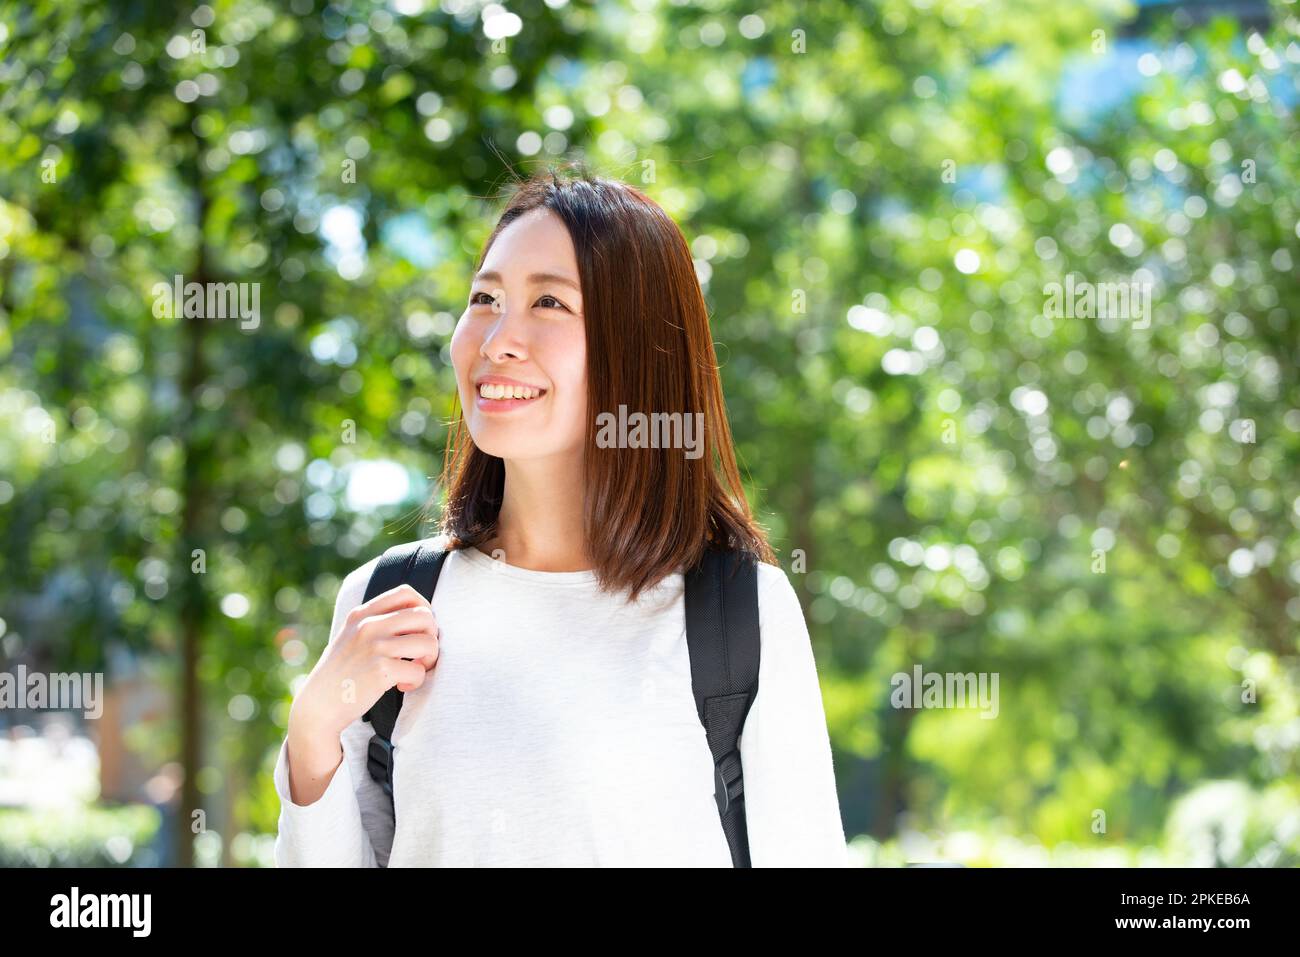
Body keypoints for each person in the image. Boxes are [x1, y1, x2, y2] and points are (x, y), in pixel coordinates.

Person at [273, 168, 848, 867]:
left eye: (549, 302)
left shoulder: (737, 614)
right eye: (485, 297)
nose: (497, 339)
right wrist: (311, 735)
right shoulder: (386, 603)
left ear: (636, 350)